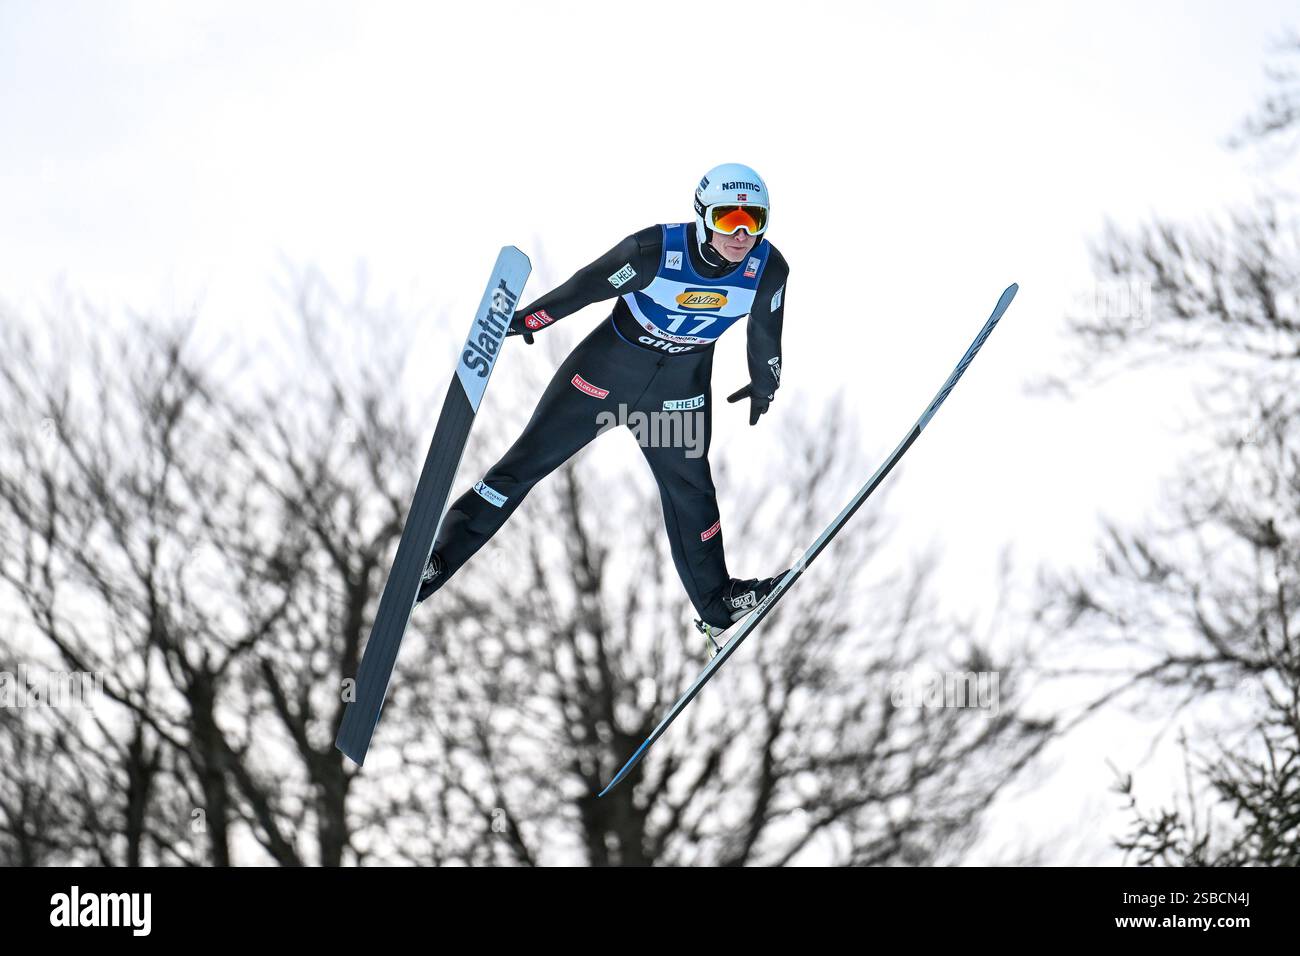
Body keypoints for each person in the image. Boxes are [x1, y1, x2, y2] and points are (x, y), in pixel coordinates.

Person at [419, 162, 790, 641]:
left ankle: (718, 604)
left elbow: (766, 332)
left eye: (753, 221)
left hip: (673, 401)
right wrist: (530, 320)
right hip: (602, 382)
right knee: (523, 466)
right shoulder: (656, 252)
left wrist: (765, 383)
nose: (740, 234)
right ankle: (434, 563)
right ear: (702, 216)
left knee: (692, 495)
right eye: (727, 219)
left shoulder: (768, 269)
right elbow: (587, 285)